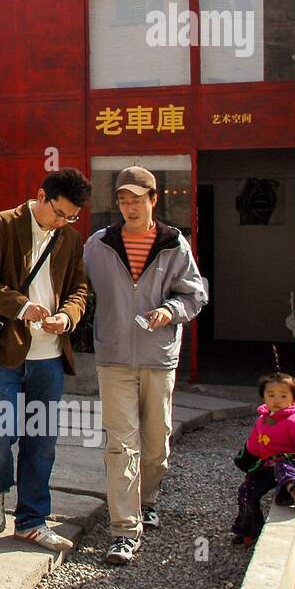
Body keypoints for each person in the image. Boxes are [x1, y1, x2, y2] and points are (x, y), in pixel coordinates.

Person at [83, 166, 208, 564]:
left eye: (138, 199)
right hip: (114, 357)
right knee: (122, 445)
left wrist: (170, 311)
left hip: (157, 357)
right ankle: (124, 530)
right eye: (123, 199)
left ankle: (147, 498)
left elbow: (195, 295)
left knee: (156, 446)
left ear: (154, 200)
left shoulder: (175, 245)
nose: (130, 207)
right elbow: (77, 287)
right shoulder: (98, 244)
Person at [0, 168, 91, 551]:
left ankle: (32, 521)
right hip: (7, 353)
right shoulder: (4, 224)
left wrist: (67, 316)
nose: (64, 221)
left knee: (42, 441)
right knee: (0, 433)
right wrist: (21, 307)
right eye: (59, 213)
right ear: (41, 196)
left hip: (49, 358)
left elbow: (79, 288)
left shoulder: (68, 238)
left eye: (72, 216)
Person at [231, 373, 295, 544]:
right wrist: (247, 459)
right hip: (268, 466)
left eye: (283, 395)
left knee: (282, 465)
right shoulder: (262, 421)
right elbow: (254, 443)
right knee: (246, 492)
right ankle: (250, 529)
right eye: (271, 395)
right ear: (264, 397)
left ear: (294, 399)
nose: (277, 399)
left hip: (291, 465)